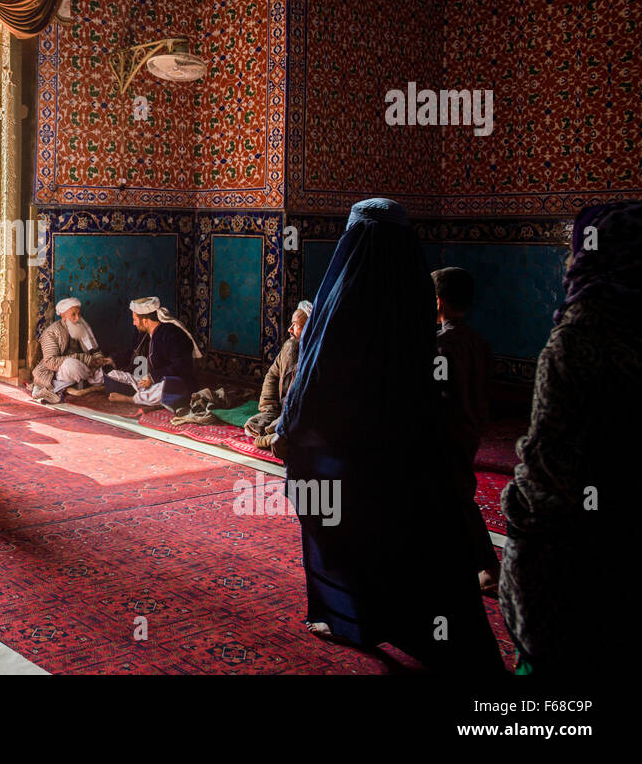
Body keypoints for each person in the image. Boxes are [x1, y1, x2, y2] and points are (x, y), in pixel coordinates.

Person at [272, 198, 502, 672]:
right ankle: (408, 626)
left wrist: (289, 428)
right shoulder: (416, 296)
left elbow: (314, 377)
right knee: (403, 537)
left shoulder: (342, 299)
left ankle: (349, 617)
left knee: (340, 530)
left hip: (340, 449)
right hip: (404, 451)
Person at [500, 201, 640, 675]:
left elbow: (546, 468)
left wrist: (519, 519)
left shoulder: (581, 337)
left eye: (572, 250)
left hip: (578, 558)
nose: (566, 261)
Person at [432, 267, 499, 594]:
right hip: (471, 430)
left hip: (446, 435)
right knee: (453, 495)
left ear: (439, 301)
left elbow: (438, 395)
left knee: (457, 498)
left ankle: (488, 568)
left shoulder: (441, 346)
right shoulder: (478, 343)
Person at [104, 297, 200, 413]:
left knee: (165, 387)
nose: (133, 323)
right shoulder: (143, 333)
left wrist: (153, 377)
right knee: (113, 374)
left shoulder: (173, 335)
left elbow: (182, 366)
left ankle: (131, 399)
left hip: (174, 382)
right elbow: (132, 352)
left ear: (145, 321)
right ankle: (144, 394)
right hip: (148, 380)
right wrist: (112, 359)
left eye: (135, 319)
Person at [244, 300, 312, 450]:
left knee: (293, 432)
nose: (289, 329)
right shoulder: (290, 348)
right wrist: (270, 410)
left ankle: (281, 430)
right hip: (282, 411)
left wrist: (284, 418)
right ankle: (279, 429)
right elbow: (272, 376)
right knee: (253, 425)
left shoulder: (314, 355)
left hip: (303, 414)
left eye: (295, 325)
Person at [30, 297, 111, 404]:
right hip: (58, 371)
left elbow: (94, 349)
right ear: (63, 316)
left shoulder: (82, 325)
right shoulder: (51, 333)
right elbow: (50, 362)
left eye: (79, 314)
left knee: (110, 371)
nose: (78, 318)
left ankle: (83, 382)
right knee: (71, 365)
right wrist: (84, 359)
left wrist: (99, 359)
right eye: (73, 314)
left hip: (86, 367)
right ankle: (83, 383)